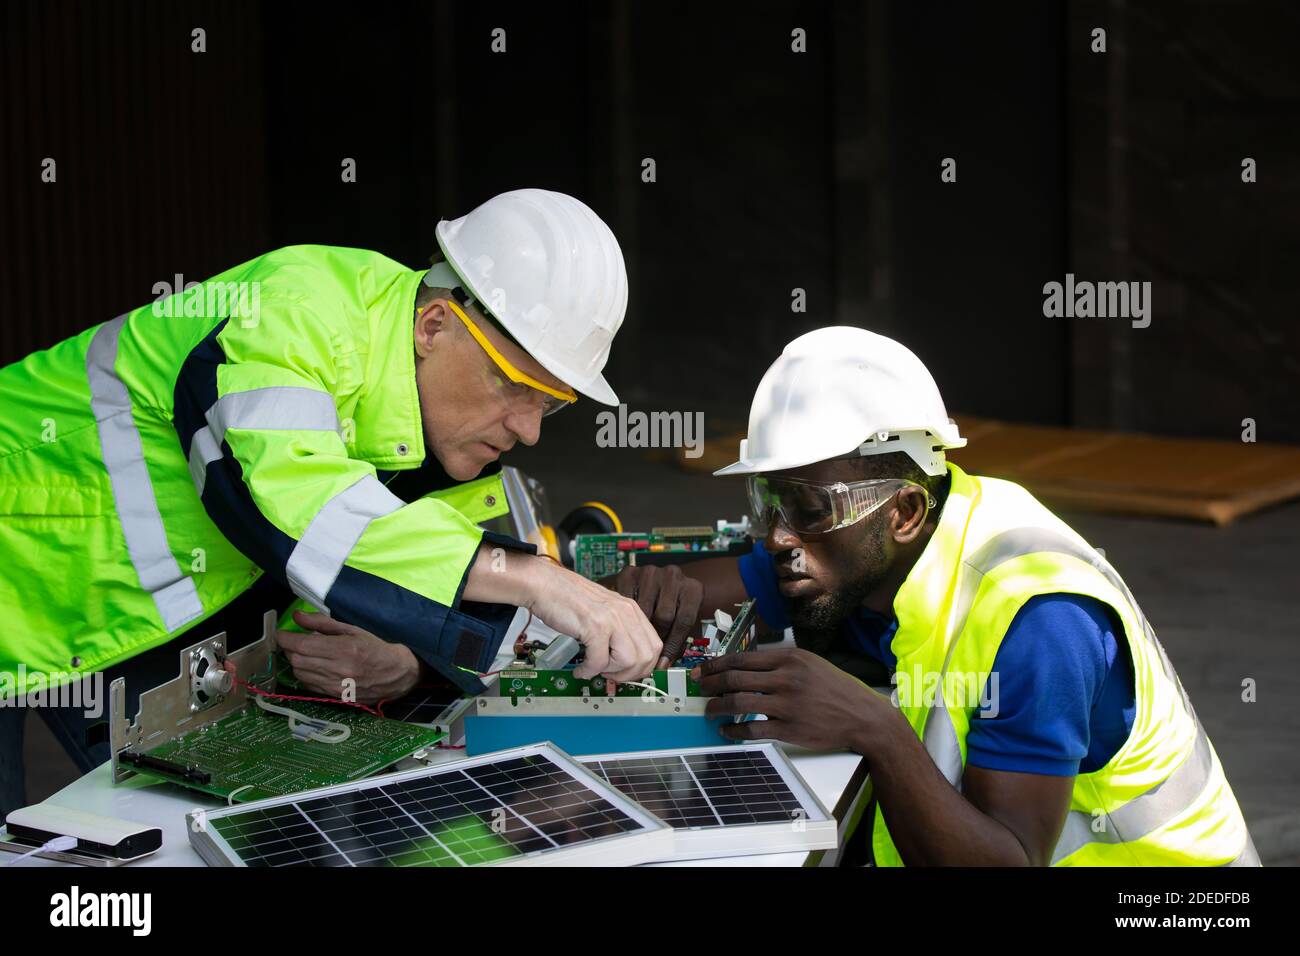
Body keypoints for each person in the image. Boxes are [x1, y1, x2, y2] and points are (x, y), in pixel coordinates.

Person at [0, 189, 661, 817]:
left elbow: (392, 562)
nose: (529, 429)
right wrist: (536, 578)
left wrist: (406, 662)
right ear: (436, 324)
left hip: (117, 615)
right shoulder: (292, 313)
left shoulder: (436, 412)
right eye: (515, 386)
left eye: (549, 402)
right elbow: (298, 505)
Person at [607, 326, 1258, 866]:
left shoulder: (1040, 622)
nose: (778, 536)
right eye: (766, 502)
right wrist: (614, 597)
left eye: (806, 507)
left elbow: (1009, 860)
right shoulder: (858, 553)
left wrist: (875, 728)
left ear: (905, 512)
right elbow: (700, 588)